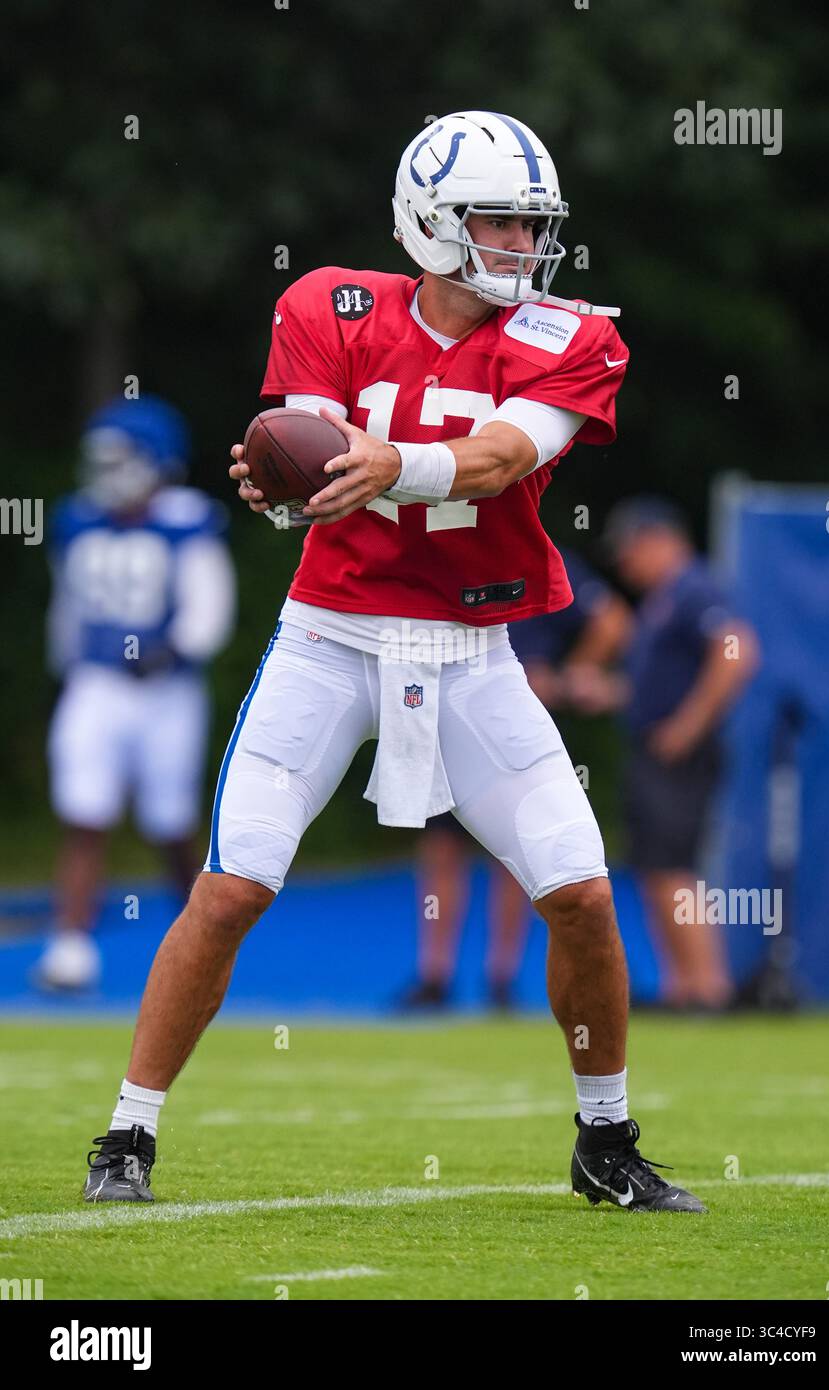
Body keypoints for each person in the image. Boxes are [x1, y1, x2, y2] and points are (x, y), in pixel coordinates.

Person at [83, 111, 706, 1213]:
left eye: (530, 221)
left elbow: (506, 453)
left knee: (580, 895)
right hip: (330, 636)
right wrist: (285, 480)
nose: (523, 241)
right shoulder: (332, 303)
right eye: (499, 220)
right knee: (230, 889)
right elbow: (310, 450)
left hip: (472, 651)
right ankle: (126, 1136)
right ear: (431, 222)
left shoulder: (569, 334)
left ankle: (603, 1137)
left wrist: (388, 464)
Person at [37, 396, 235, 992]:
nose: (107, 470)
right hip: (96, 683)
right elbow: (66, 605)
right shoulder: (80, 519)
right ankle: (70, 944)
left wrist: (175, 648)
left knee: (170, 822)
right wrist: (68, 663)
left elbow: (209, 606)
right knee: (83, 812)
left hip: (166, 690)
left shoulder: (185, 520)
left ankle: (199, 938)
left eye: (119, 457)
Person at [398, 549, 632, 1011]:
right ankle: (437, 974)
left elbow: (613, 620)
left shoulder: (531, 548)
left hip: (511, 720)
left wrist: (569, 675)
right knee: (443, 849)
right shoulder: (442, 549)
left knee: (510, 852)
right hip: (447, 714)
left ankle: (500, 976)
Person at [602, 496, 759, 1010]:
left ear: (659, 539)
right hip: (655, 750)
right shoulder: (663, 599)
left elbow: (737, 649)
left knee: (672, 865)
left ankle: (708, 987)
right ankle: (682, 986)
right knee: (654, 864)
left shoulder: (692, 589)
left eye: (629, 552)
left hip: (677, 754)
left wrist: (688, 726)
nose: (625, 565)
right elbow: (651, 687)